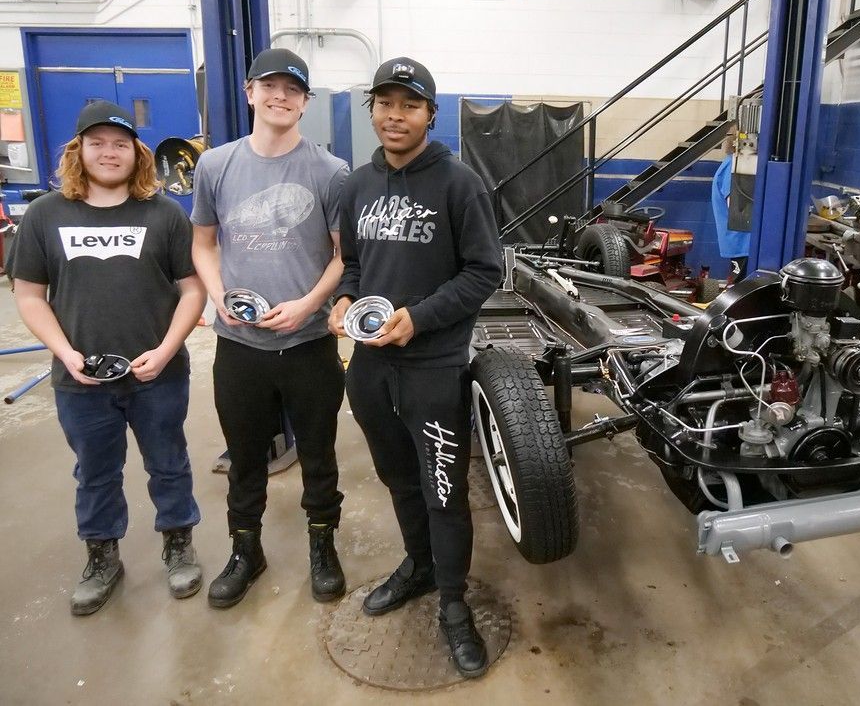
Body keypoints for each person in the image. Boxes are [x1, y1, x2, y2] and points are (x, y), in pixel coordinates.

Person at [330, 57, 503, 678]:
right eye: (385, 103)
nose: (394, 116)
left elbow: (486, 271)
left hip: (432, 367)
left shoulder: (459, 185)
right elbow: (353, 262)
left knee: (443, 491)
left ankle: (454, 605)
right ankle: (418, 566)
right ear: (371, 109)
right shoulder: (357, 185)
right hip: (370, 367)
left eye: (409, 105)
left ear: (431, 113)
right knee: (399, 479)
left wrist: (421, 317)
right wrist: (345, 299)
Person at [9, 100, 206, 615]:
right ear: (78, 151)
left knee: (168, 463)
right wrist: (65, 353)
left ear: (136, 153)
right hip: (81, 381)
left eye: (120, 143)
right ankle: (102, 557)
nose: (109, 152)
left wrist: (165, 351)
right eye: (97, 143)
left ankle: (178, 544)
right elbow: (28, 294)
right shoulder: (46, 215)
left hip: (157, 375)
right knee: (95, 471)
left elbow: (192, 290)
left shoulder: (163, 214)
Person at [191, 48, 350, 608]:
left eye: (293, 89)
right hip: (240, 346)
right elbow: (203, 242)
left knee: (319, 450)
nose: (281, 96)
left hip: (307, 346)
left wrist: (309, 305)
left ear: (305, 102)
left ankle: (322, 543)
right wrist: (218, 298)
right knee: (245, 454)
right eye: (270, 86)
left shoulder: (331, 172)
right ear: (249, 91)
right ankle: (245, 549)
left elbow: (341, 257)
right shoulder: (215, 166)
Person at [711, 132, 751, 283]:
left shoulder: (732, 165)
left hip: (743, 243)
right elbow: (736, 207)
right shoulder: (732, 167)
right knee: (740, 289)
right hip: (742, 242)